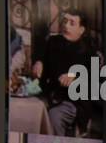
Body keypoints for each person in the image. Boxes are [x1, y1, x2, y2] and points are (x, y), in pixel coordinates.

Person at [33, 8, 100, 136]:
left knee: (54, 116)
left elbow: (95, 82)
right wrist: (39, 62)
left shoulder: (90, 52)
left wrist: (76, 77)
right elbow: (41, 56)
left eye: (72, 23)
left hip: (74, 102)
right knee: (30, 111)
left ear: (81, 30)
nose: (66, 25)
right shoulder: (53, 42)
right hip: (50, 95)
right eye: (64, 21)